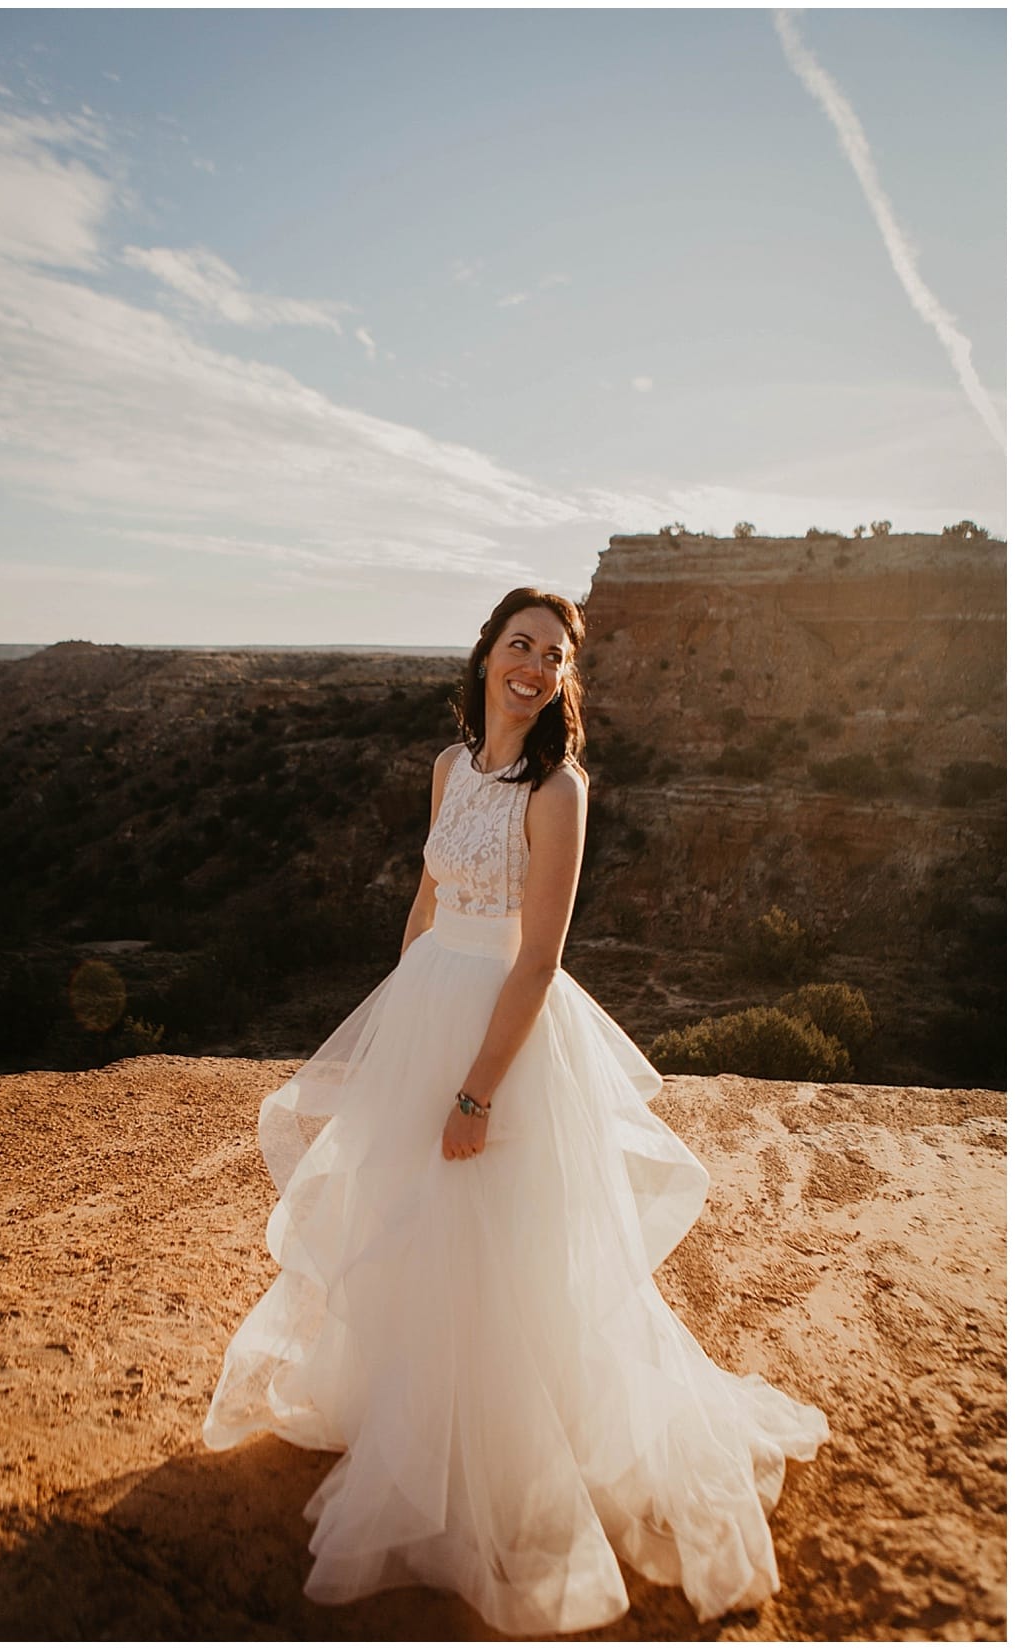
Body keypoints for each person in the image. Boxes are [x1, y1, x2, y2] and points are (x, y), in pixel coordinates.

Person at [204, 587, 828, 1636]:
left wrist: (472, 1089)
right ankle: (410, 1419)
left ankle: (499, 1452)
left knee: (500, 1241)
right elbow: (427, 899)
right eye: (519, 645)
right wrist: (394, 1027)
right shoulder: (449, 768)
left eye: (555, 655)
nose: (535, 665)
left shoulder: (559, 792)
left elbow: (538, 960)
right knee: (409, 1223)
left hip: (503, 1037)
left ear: (565, 680)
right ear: (486, 654)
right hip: (427, 1010)